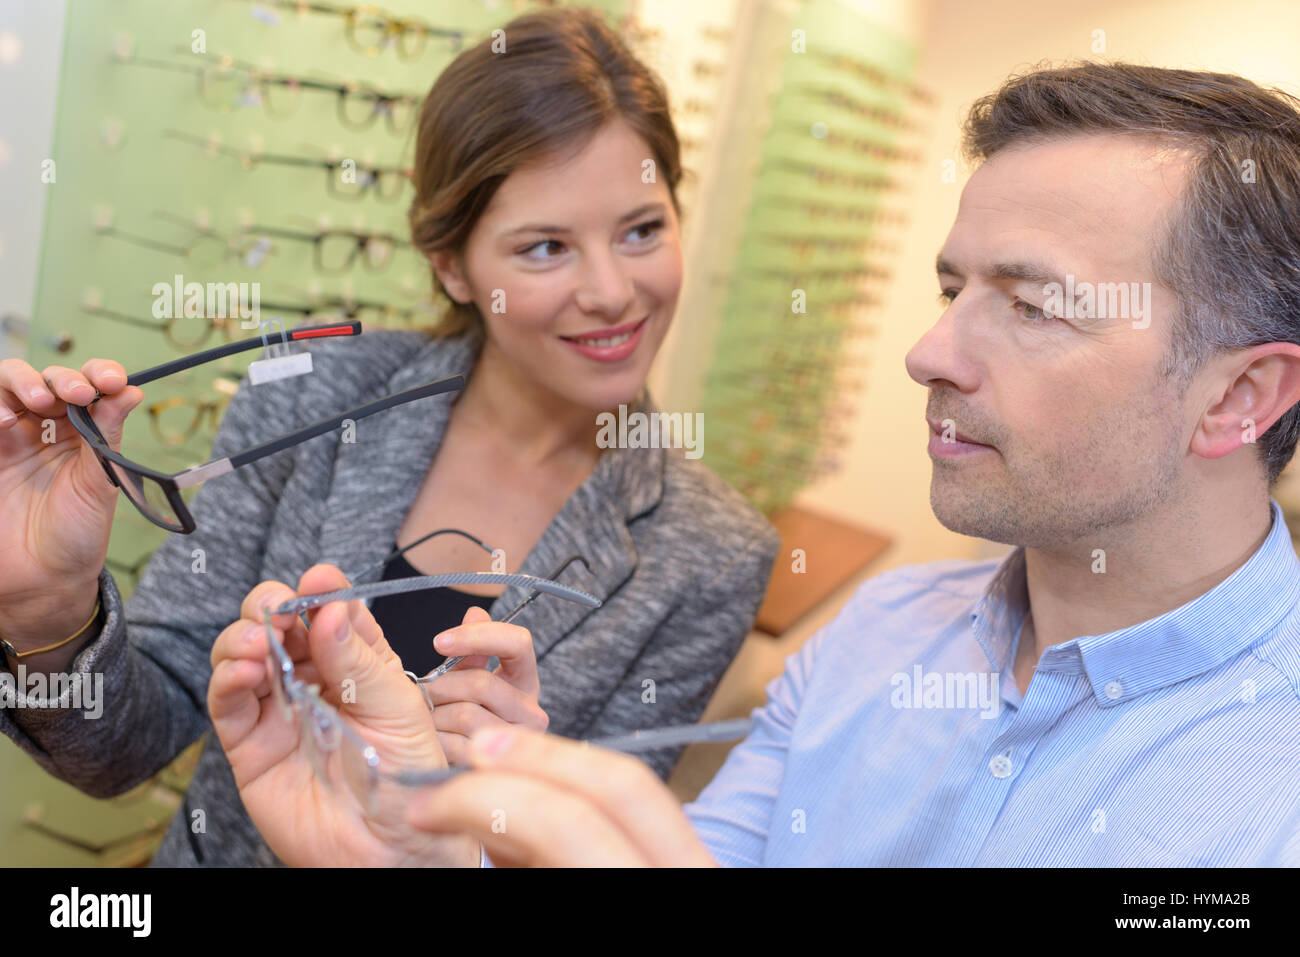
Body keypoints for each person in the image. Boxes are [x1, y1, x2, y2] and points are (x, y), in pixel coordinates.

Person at [213, 61, 1300, 866]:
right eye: (951, 290)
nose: (928, 353)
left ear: (1239, 396)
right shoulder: (871, 640)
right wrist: (427, 840)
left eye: (1031, 305)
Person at [0, 8, 779, 866]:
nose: (612, 291)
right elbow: (124, 749)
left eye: (642, 229)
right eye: (546, 246)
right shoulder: (312, 398)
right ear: (452, 264)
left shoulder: (713, 554)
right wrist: (48, 608)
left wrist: (503, 819)